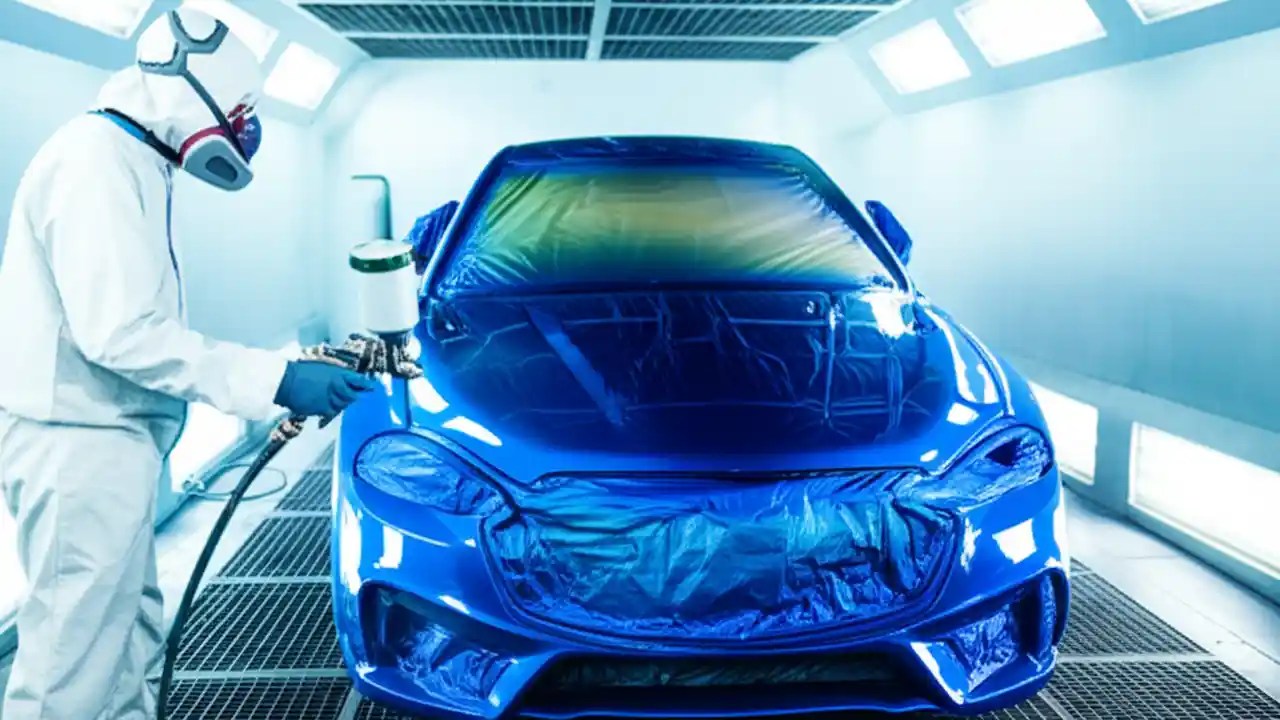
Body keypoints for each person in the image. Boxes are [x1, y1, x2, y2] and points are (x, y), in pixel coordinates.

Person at [0, 7, 374, 719]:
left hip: (109, 444)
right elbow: (122, 334)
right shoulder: (94, 162)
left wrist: (283, 369)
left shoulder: (128, 157)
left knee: (128, 638)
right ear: (192, 95)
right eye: (241, 109)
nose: (244, 129)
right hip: (76, 447)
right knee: (67, 669)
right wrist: (277, 379)